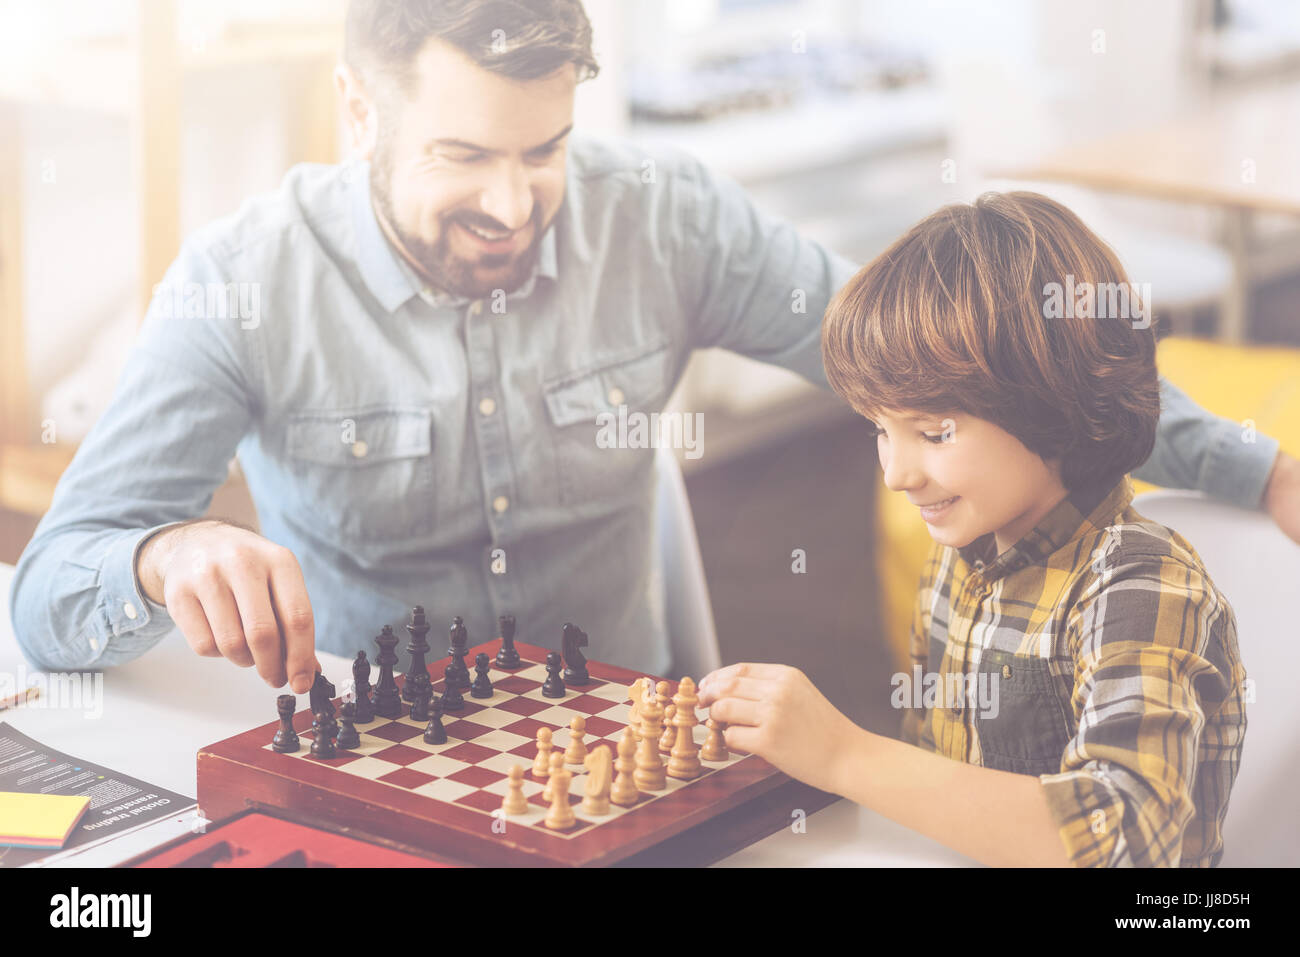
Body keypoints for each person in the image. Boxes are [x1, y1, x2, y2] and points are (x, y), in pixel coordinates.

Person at [9, 0, 1296, 696]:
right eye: (463, 156)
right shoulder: (242, 279)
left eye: (544, 152)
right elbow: (48, 592)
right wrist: (160, 553)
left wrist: (1258, 469)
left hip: (636, 757)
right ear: (358, 112)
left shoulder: (667, 218)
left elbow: (980, 361)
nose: (513, 206)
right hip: (380, 759)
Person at [699, 192, 1247, 867]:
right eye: (880, 430)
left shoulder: (1143, 586)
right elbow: (941, 796)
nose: (898, 473)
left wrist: (845, 753)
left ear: (1051, 403)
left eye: (934, 433)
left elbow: (1122, 839)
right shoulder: (960, 557)